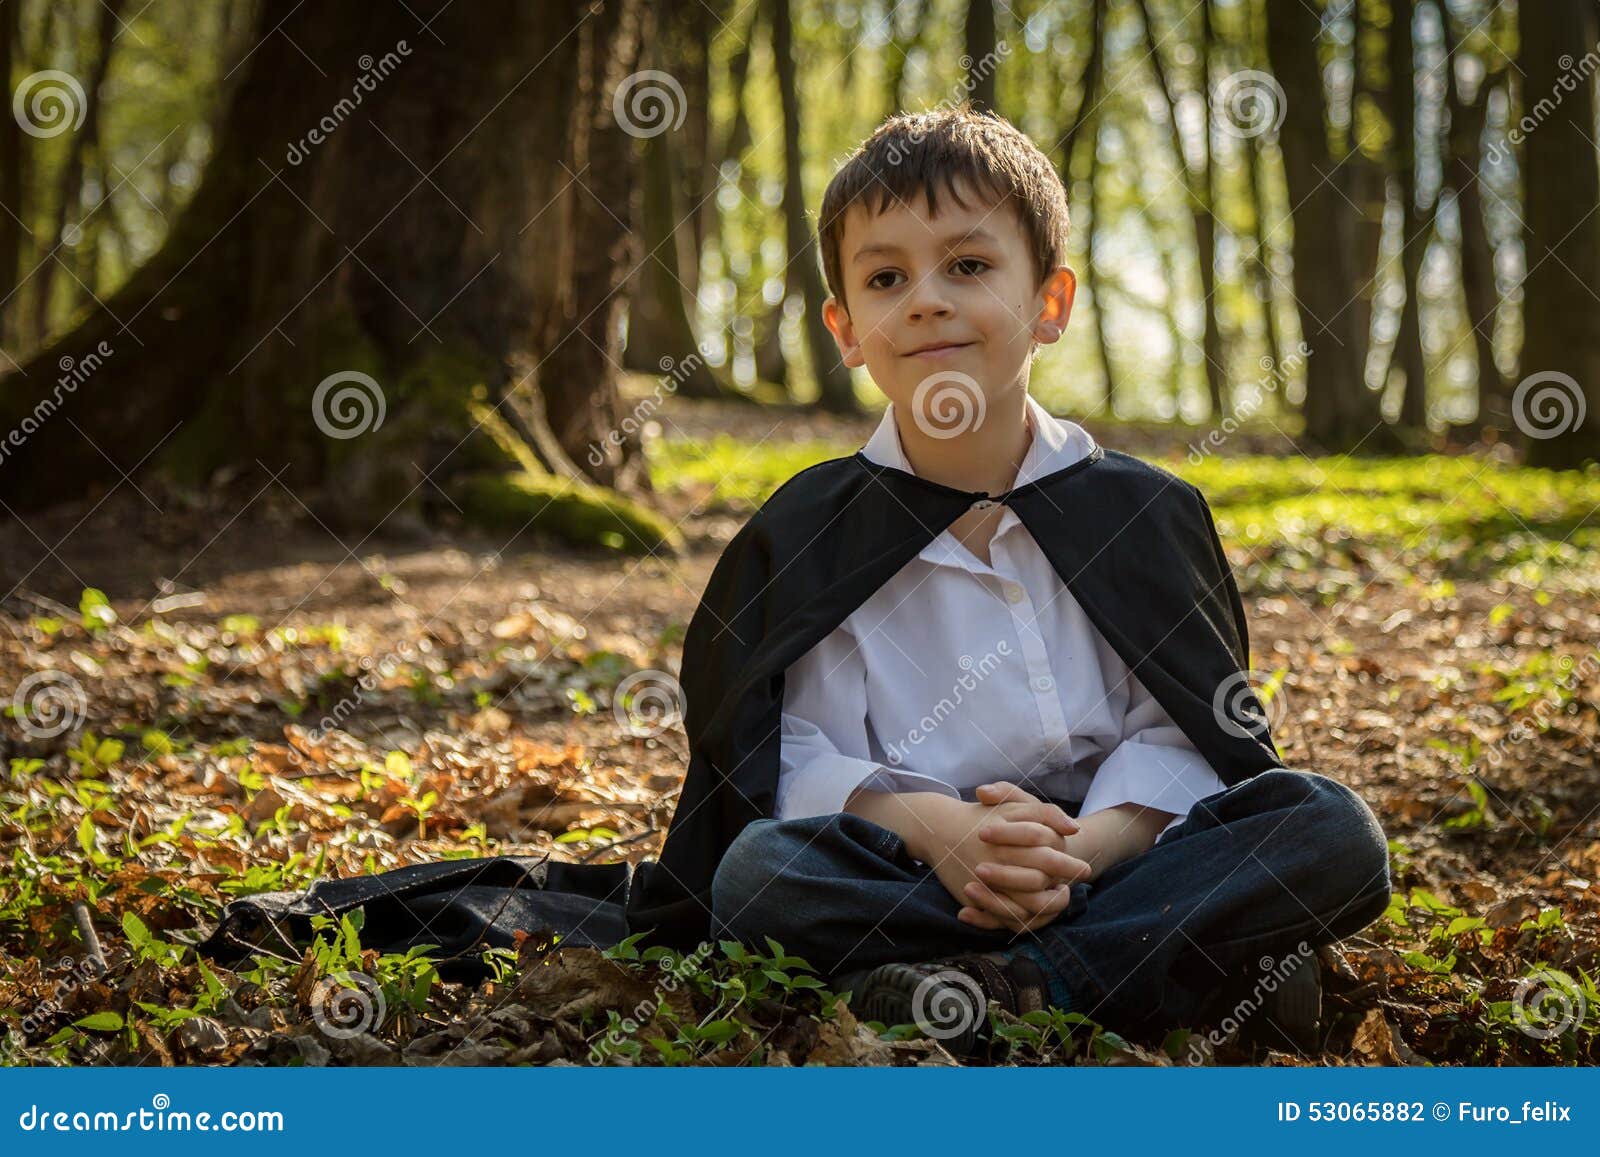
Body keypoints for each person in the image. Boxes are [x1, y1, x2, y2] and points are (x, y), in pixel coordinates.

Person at [701, 104, 1393, 1056]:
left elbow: (1186, 732)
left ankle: (1017, 986)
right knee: (759, 873)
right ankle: (1167, 971)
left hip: (1121, 856)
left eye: (970, 266)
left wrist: (1079, 849)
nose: (927, 300)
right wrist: (946, 834)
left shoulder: (1144, 513)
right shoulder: (815, 532)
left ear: (1052, 304)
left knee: (1328, 828)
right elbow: (803, 755)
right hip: (915, 868)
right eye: (887, 277)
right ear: (847, 328)